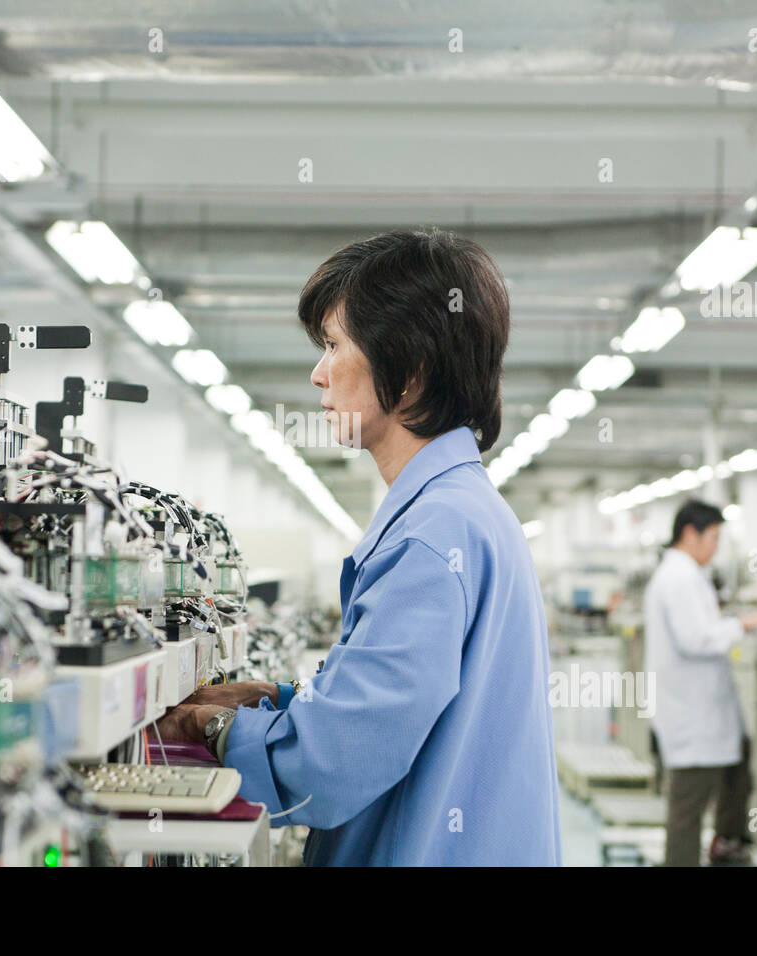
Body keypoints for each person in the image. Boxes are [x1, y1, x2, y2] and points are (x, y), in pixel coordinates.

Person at [155, 229, 561, 866]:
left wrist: (208, 731)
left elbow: (335, 763)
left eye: (334, 345)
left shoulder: (433, 536)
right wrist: (277, 701)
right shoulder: (458, 511)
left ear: (411, 370)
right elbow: (402, 711)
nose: (318, 375)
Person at [644, 500, 757, 866]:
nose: (716, 548)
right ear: (691, 533)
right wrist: (745, 624)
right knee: (687, 812)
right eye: (714, 538)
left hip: (706, 715)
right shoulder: (678, 577)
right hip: (691, 718)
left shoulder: (689, 575)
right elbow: (696, 639)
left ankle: (728, 846)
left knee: (739, 771)